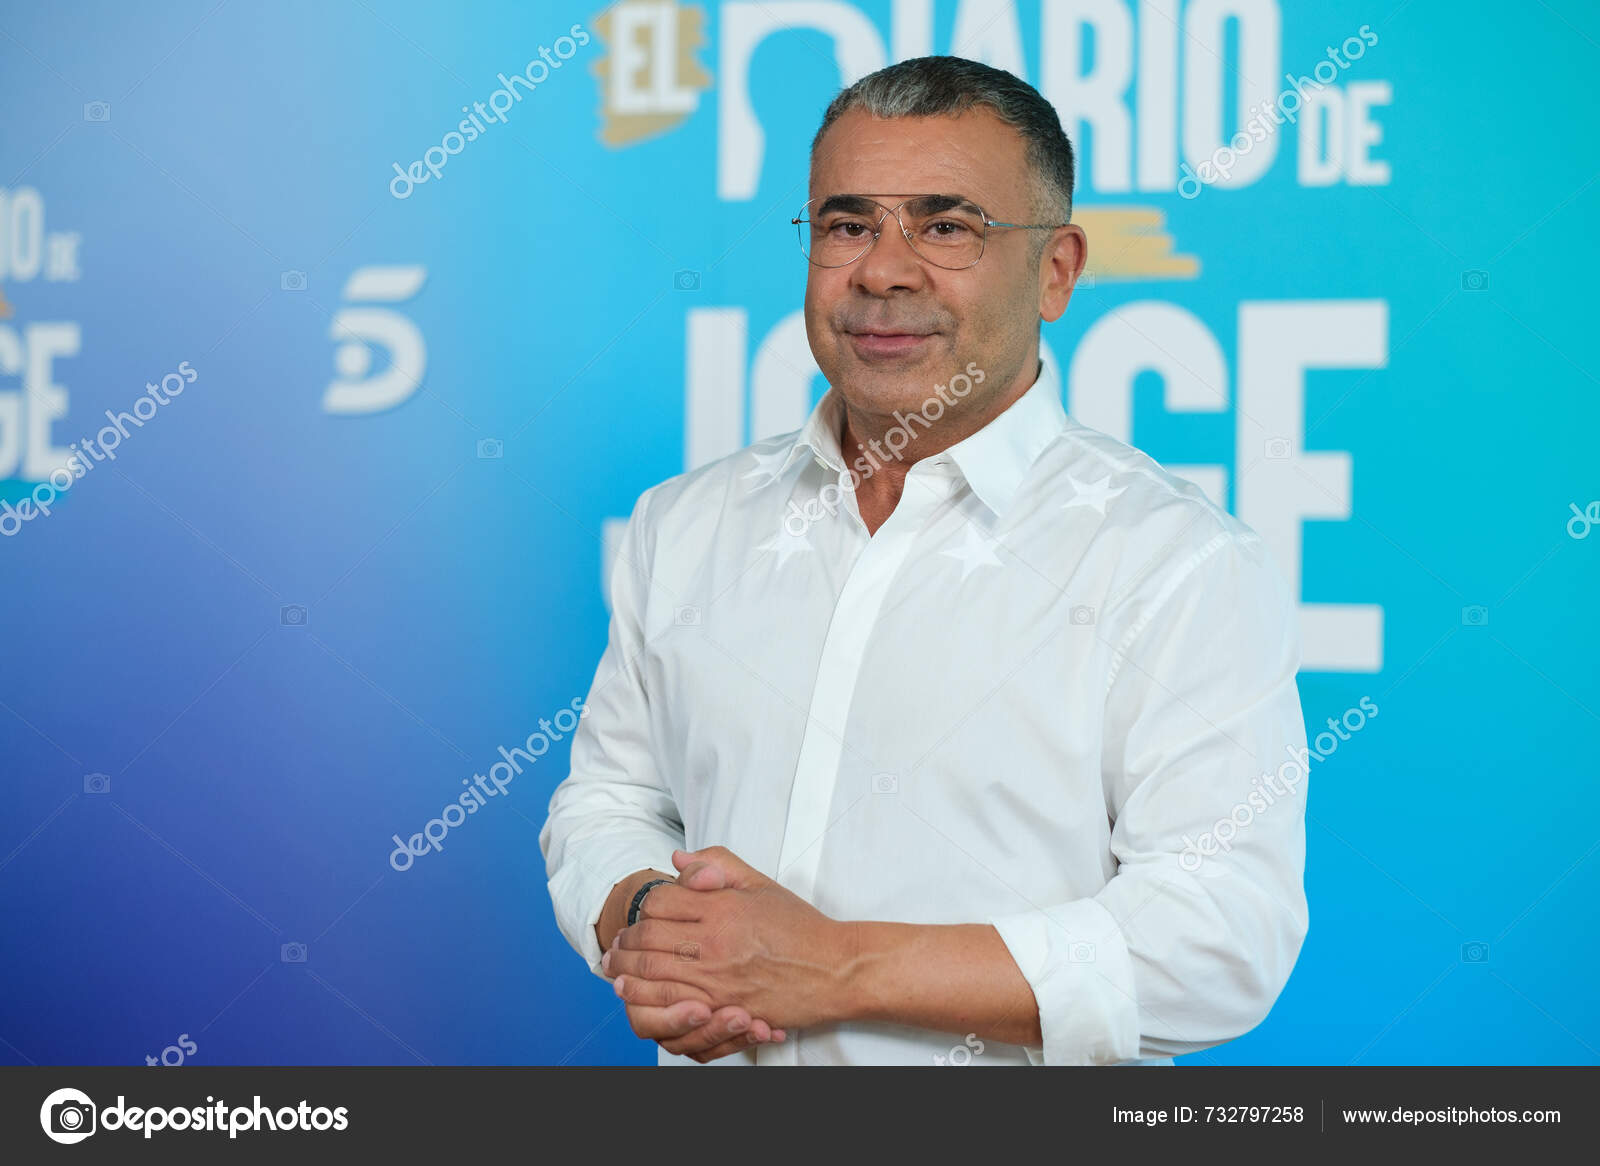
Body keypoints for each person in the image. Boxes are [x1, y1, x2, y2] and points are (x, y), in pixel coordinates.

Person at [540, 55, 1308, 1066]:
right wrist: (654, 926)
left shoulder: (1172, 561)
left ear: (1057, 269)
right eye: (847, 224)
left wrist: (836, 964)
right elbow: (608, 800)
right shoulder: (684, 524)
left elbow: (1218, 936)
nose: (883, 270)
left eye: (947, 227)